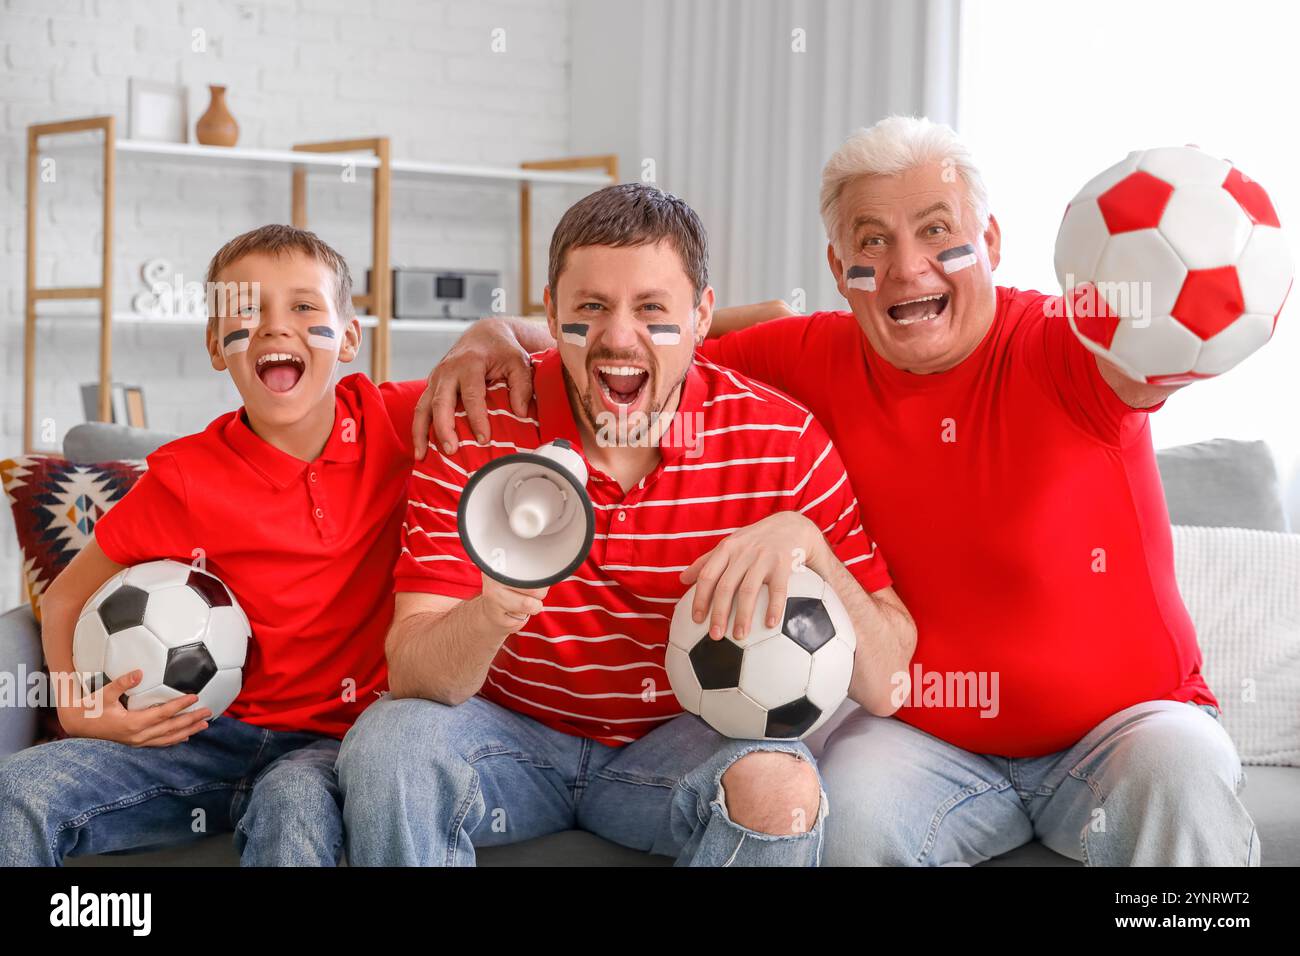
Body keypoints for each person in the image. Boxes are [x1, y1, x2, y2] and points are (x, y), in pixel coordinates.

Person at [412, 117, 1259, 866]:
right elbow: (646, 341)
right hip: (925, 742)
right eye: (873, 242)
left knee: (1179, 778)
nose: (905, 268)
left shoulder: (1067, 353)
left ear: (992, 242)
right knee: (844, 823)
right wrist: (500, 332)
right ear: (839, 264)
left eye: (937, 232)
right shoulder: (806, 355)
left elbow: (1161, 347)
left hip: (1127, 731)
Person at [336, 183, 914, 866]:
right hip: (507, 744)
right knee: (388, 742)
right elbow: (413, 671)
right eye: (591, 307)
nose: (617, 336)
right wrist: (494, 610)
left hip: (677, 747)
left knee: (780, 783)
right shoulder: (476, 426)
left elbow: (884, 682)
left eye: (651, 308)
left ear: (702, 315)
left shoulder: (781, 441)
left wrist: (813, 549)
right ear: (550, 313)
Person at [0, 225, 426, 866]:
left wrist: (496, 336)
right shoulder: (184, 476)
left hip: (336, 747)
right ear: (214, 345)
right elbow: (63, 600)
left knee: (294, 816)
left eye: (305, 308)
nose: (275, 328)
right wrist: (79, 710)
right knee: (18, 790)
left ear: (348, 337)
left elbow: (536, 372)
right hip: (201, 736)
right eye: (247, 310)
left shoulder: (396, 422)